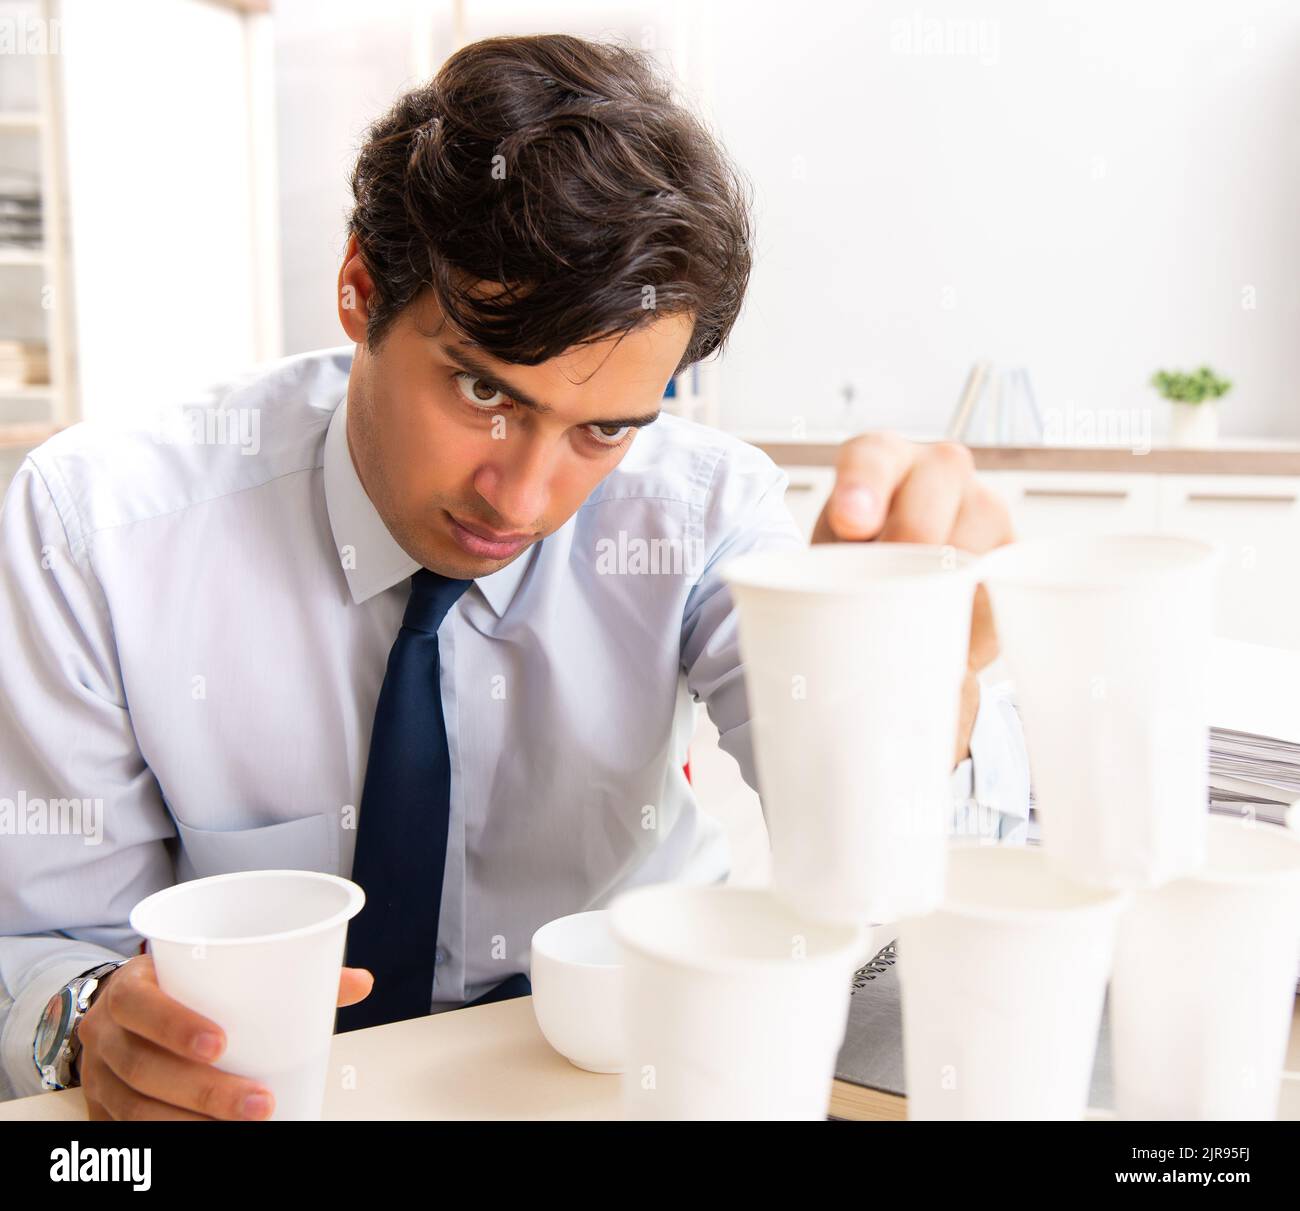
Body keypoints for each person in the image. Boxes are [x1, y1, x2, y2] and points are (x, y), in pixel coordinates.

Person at [0, 34, 1028, 1119]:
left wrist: (918, 696)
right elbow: (39, 942)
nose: (523, 499)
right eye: (483, 392)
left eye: (604, 429)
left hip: (623, 1072)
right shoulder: (97, 529)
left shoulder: (699, 515)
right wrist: (96, 1019)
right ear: (359, 287)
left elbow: (891, 862)